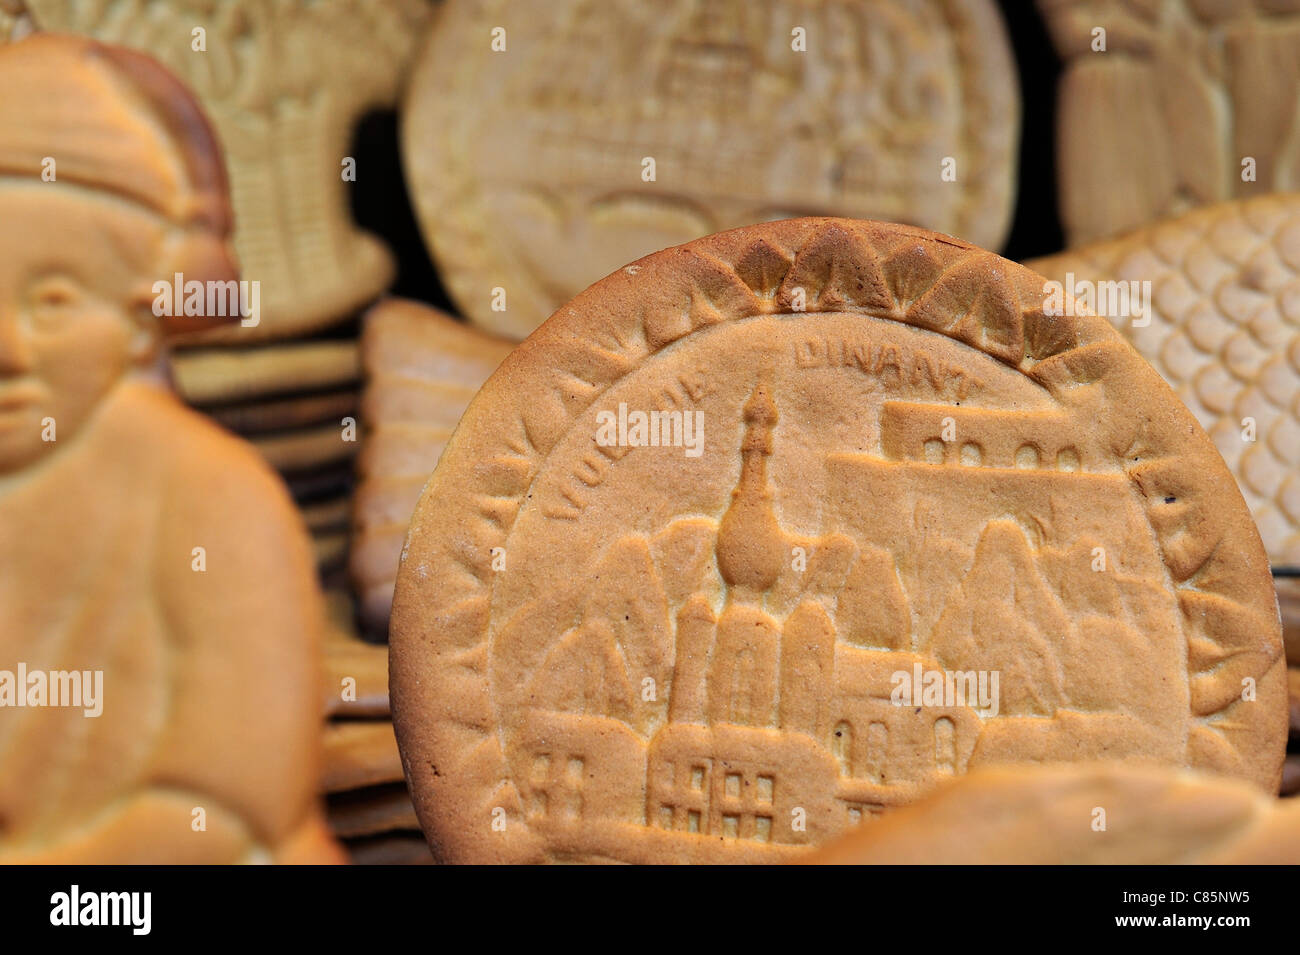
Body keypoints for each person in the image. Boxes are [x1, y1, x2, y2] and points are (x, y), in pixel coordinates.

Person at [0, 34, 342, 863]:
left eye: (52, 300)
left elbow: (227, 806)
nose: (5, 348)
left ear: (137, 316)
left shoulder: (211, 496)